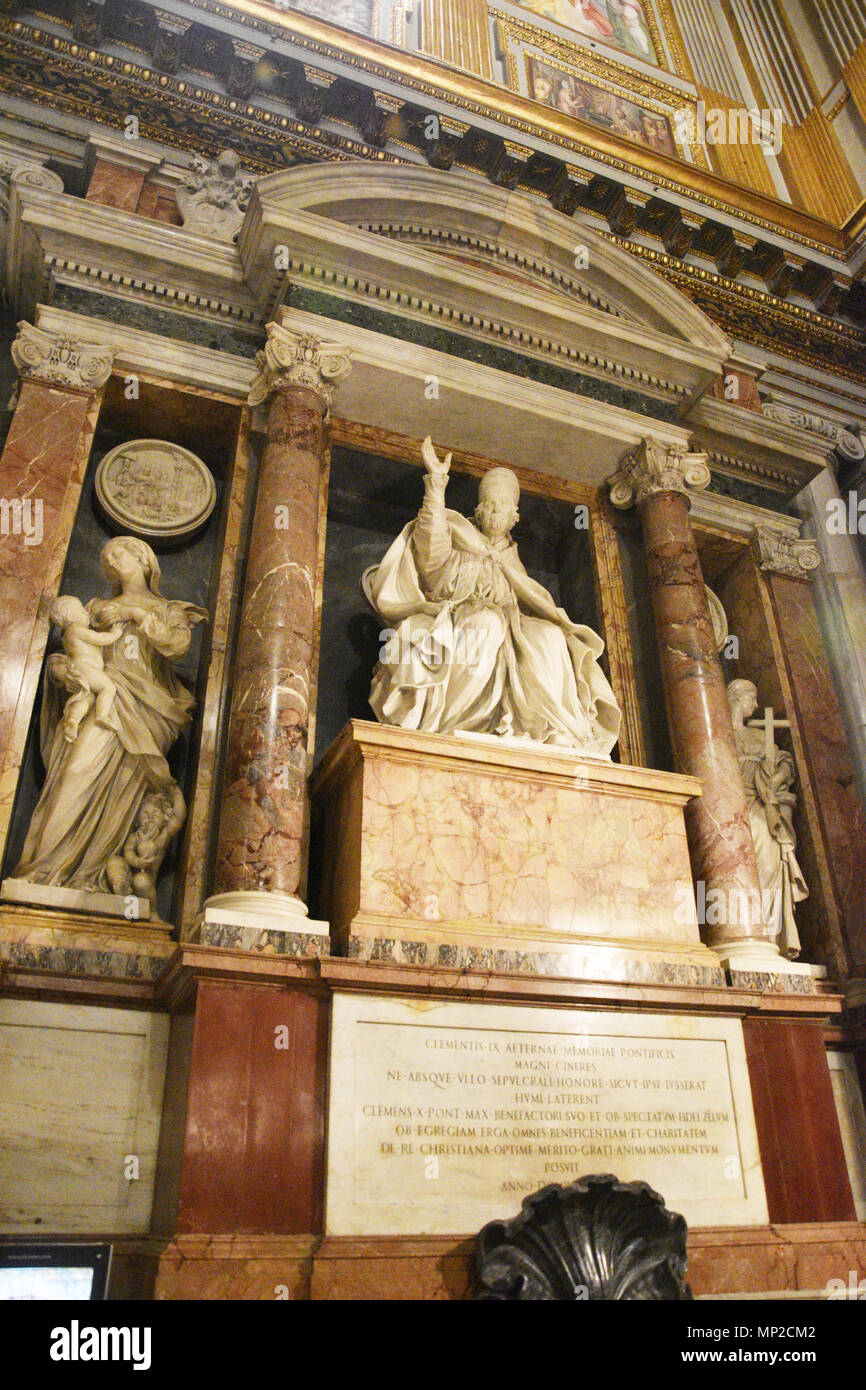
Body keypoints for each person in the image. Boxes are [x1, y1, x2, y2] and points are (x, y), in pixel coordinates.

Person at [364, 438, 620, 755]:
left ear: (515, 517)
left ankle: (552, 728)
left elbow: (534, 603)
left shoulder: (513, 563)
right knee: (485, 625)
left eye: (503, 505)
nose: (496, 509)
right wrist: (437, 486)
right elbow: (430, 549)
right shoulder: (459, 540)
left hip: (513, 627)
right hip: (457, 616)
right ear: (479, 510)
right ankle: (453, 727)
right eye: (490, 503)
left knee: (551, 637)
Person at [14, 536, 207, 895]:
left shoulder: (169, 610)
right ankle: (42, 868)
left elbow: (176, 647)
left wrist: (135, 614)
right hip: (106, 692)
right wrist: (60, 669)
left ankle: (97, 873)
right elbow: (75, 644)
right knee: (74, 771)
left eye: (118, 554)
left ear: (143, 559)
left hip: (148, 709)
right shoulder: (97, 607)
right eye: (105, 558)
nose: (111, 561)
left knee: (123, 793)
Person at [727, 679, 808, 958]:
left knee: (771, 863)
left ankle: (769, 934)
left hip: (766, 807)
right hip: (736, 805)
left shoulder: (759, 734)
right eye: (752, 699)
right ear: (738, 698)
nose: (757, 706)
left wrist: (778, 775)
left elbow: (784, 760)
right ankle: (746, 930)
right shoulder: (718, 733)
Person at [46, 596, 123, 742]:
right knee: (108, 687)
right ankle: (102, 715)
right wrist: (115, 634)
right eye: (82, 611)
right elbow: (101, 639)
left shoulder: (67, 636)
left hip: (79, 671)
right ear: (71, 617)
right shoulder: (76, 630)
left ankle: (73, 721)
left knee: (86, 697)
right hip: (87, 669)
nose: (87, 613)